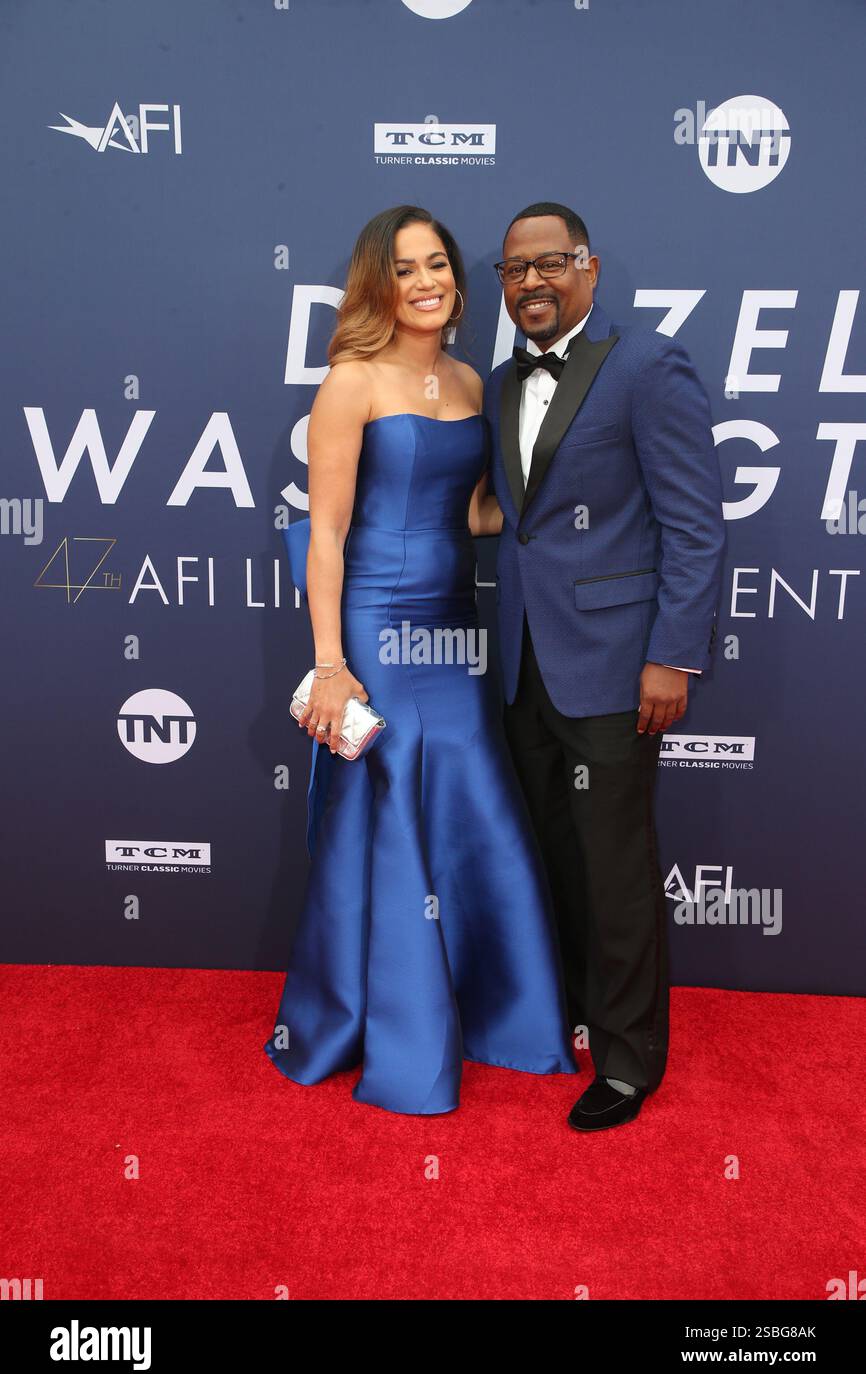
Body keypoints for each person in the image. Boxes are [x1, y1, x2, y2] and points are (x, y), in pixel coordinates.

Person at [263, 205, 576, 1115]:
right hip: (372, 628)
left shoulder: (474, 381)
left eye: (438, 264)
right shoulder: (350, 384)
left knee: (477, 802)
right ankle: (400, 1034)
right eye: (406, 269)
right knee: (394, 807)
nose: (429, 281)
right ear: (379, 284)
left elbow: (471, 515)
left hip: (451, 626)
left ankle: (504, 1017)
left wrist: (559, 512)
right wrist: (330, 663)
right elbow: (323, 535)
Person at [484, 202, 725, 1131]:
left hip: (620, 668)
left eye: (550, 264)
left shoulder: (645, 365)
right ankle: (584, 1013)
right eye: (514, 272)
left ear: (588, 268)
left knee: (618, 869)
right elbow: (523, 519)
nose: (531, 283)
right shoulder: (504, 383)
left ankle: (630, 1062)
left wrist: (672, 654)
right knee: (561, 860)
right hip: (525, 670)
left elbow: (695, 526)